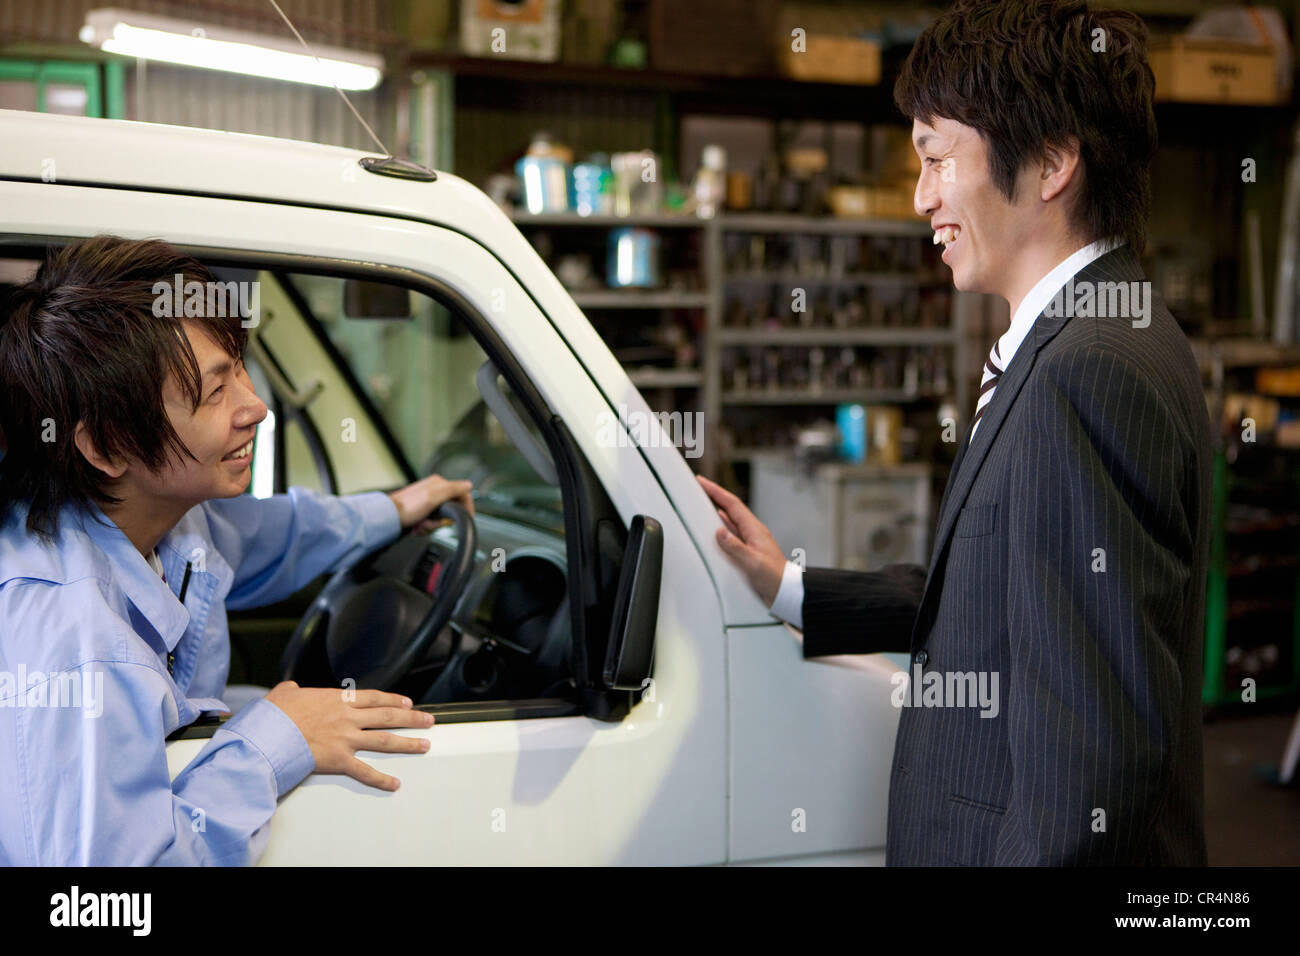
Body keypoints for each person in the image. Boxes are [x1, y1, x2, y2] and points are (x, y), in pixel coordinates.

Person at [700, 0, 1212, 865]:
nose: (920, 196)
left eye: (938, 157)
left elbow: (1088, 768)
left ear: (1050, 161)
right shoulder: (1094, 333)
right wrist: (788, 586)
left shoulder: (1086, 369)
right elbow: (1000, 596)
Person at [0, 235, 474, 865]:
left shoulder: (159, 525)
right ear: (106, 447)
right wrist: (272, 745)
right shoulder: (75, 647)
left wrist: (394, 508)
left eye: (239, 367)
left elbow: (277, 535)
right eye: (214, 391)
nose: (255, 407)